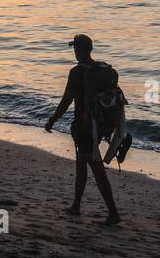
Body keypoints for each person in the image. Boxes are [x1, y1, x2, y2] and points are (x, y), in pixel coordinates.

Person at [44, 33, 121, 225]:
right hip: (98, 126)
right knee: (81, 165)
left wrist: (53, 119)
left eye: (75, 48)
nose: (74, 51)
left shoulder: (77, 73)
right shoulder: (101, 70)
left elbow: (66, 101)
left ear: (79, 50)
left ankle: (113, 213)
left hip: (85, 127)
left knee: (96, 169)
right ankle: (76, 205)